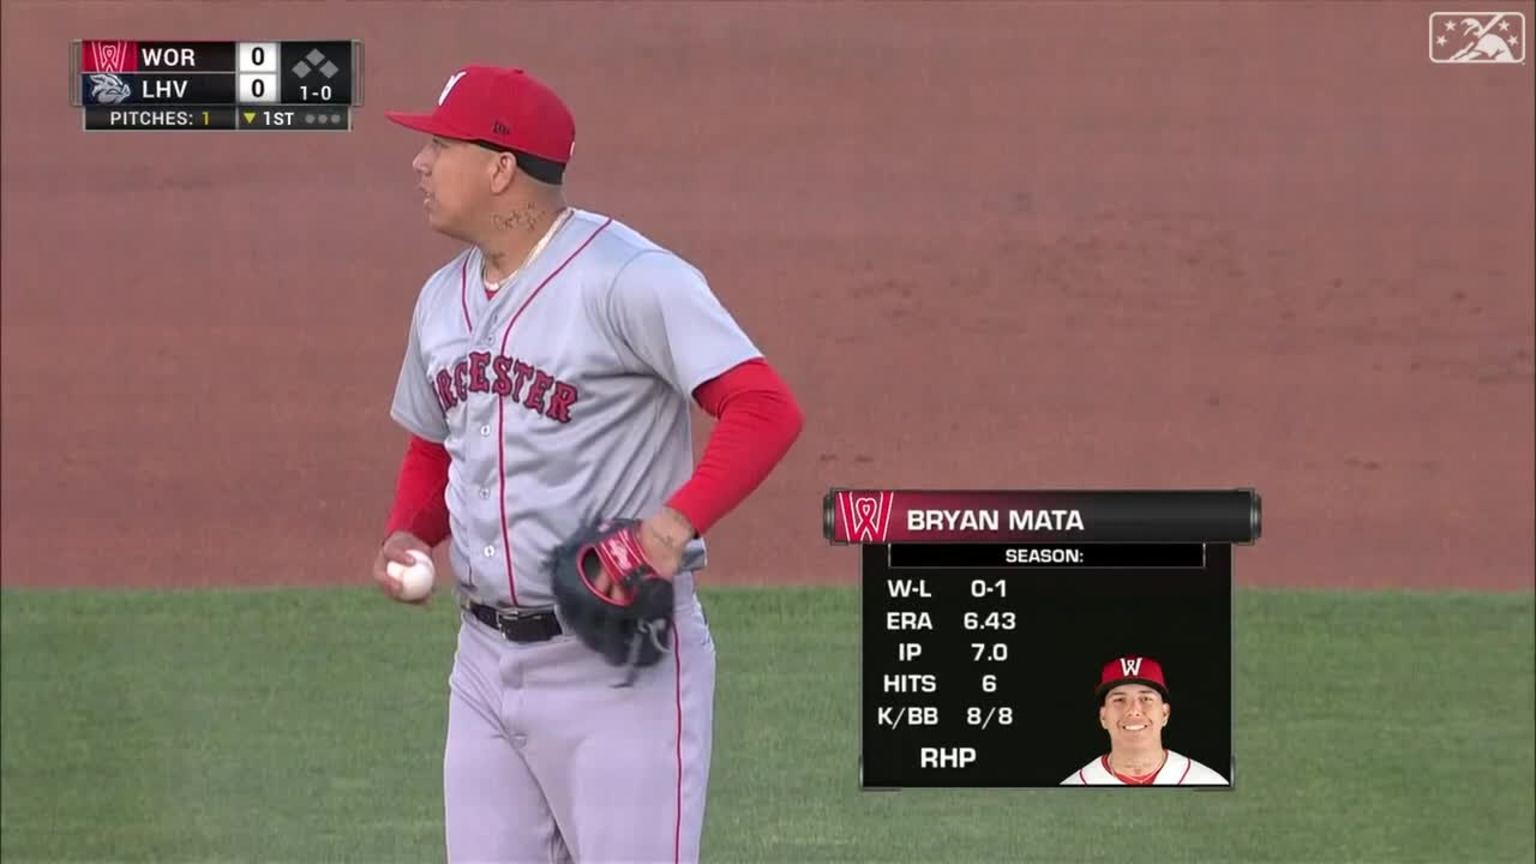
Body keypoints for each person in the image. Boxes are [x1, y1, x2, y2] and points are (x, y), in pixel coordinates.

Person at [369, 64, 804, 863]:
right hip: (482, 668)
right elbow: (435, 440)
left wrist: (671, 528)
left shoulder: (630, 280)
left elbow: (765, 407)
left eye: (439, 145)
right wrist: (408, 531)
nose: (419, 164)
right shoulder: (441, 300)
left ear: (500, 168)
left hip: (616, 672)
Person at [1061, 656, 1229, 786]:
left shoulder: (1208, 782)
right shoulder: (1071, 789)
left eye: (1146, 699)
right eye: (1119, 700)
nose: (1134, 710)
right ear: (1103, 716)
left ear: (1165, 713)